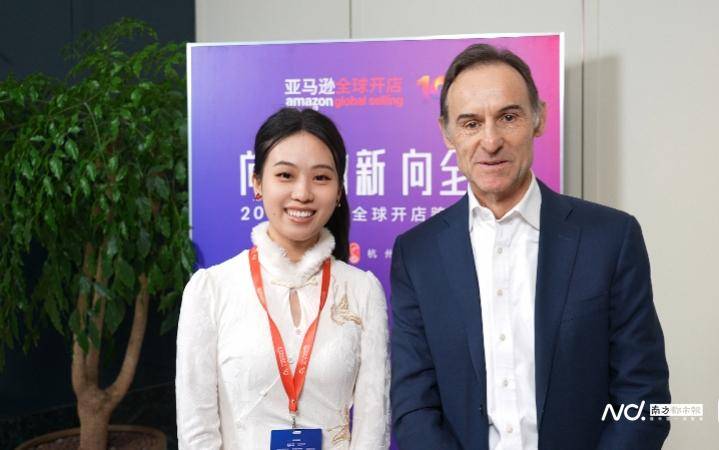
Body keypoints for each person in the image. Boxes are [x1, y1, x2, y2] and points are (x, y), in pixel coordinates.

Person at [390, 44, 670, 450]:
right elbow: (414, 405)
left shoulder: (610, 238)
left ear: (539, 118)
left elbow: (643, 396)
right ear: (447, 133)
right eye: (471, 123)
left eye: (508, 117)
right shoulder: (418, 254)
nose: (490, 141)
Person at [176, 107, 390, 449]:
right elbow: (196, 432)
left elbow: (373, 425)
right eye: (286, 175)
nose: (303, 193)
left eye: (321, 177)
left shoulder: (362, 290)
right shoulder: (211, 290)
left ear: (338, 191)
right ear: (257, 183)